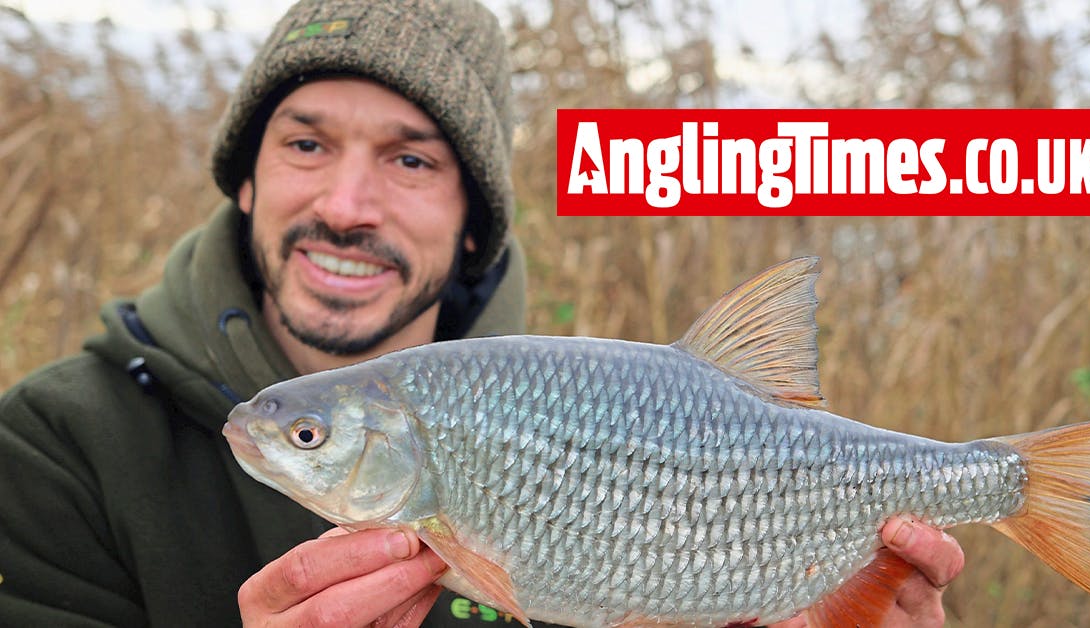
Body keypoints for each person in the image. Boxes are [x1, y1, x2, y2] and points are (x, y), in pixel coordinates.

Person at [0, 1, 964, 626]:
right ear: (244, 179)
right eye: (305, 143)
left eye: (411, 158)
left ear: (475, 224)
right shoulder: (51, 450)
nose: (347, 204)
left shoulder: (571, 397)